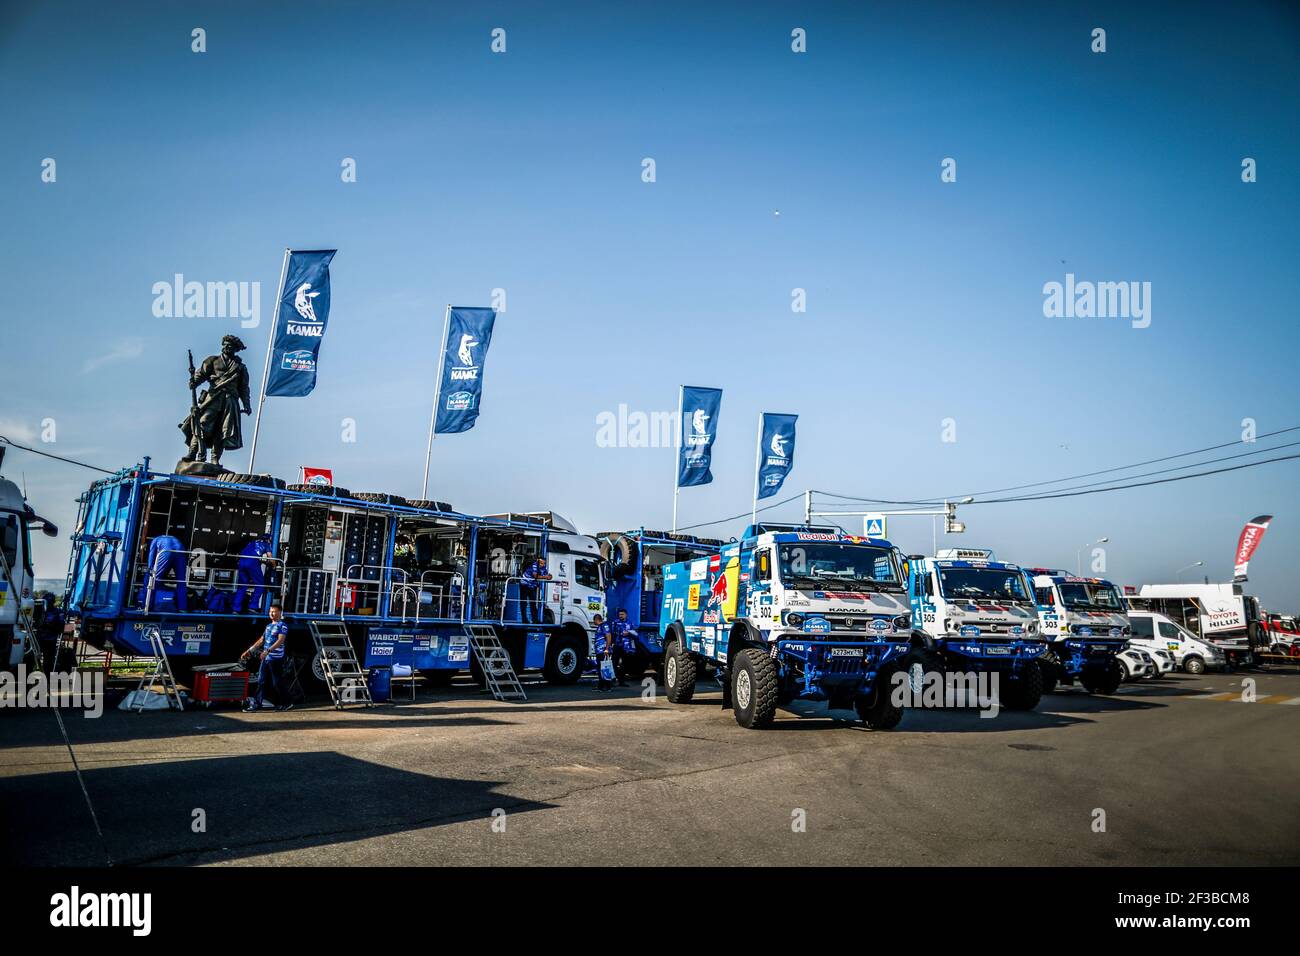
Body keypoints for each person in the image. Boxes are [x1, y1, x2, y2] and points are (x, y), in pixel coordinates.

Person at [180, 334, 252, 466]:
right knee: (201, 424)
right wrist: (194, 381)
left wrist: (246, 404)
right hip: (213, 399)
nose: (226, 347)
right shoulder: (212, 360)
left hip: (230, 401)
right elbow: (201, 374)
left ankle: (215, 459)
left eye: (229, 345)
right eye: (225, 344)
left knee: (223, 431)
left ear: (235, 348)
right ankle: (192, 453)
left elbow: (244, 388)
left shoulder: (240, 367)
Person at [241, 604, 293, 712]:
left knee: (277, 682)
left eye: (274, 611)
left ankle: (287, 703)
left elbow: (280, 641)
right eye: (270, 611)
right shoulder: (268, 626)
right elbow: (261, 640)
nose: (271, 613)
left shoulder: (282, 625)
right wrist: (249, 651)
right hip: (266, 658)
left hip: (276, 659)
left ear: (280, 612)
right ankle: (257, 704)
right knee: (261, 681)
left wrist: (267, 651)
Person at [232, 535, 274, 614]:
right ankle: (253, 607)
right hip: (252, 562)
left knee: (242, 586)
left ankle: (235, 609)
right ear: (268, 540)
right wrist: (274, 566)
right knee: (260, 584)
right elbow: (270, 558)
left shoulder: (252, 542)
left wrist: (262, 561)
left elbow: (250, 553)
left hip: (242, 561)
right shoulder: (266, 544)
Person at [518, 556, 552, 624]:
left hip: (532, 586)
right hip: (524, 584)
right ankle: (524, 620)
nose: (542, 564)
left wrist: (550, 576)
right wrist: (545, 577)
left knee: (533, 603)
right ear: (538, 561)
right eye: (541, 563)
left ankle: (535, 620)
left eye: (544, 563)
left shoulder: (544, 567)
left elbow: (547, 575)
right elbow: (535, 576)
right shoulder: (534, 565)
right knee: (524, 603)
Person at [613, 608, 639, 685]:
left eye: (622, 614)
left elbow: (636, 635)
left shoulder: (630, 623)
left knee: (624, 664)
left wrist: (629, 633)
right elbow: (611, 633)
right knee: (614, 663)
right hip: (617, 645)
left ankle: (622, 681)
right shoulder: (615, 623)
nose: (620, 616)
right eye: (619, 614)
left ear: (626, 615)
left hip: (626, 647)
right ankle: (613, 680)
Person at [592, 614, 615, 691]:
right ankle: (601, 686)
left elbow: (608, 636)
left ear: (597, 619)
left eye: (594, 620)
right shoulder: (599, 627)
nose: (594, 622)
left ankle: (608, 687)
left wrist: (607, 649)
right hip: (599, 651)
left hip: (603, 651)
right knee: (600, 669)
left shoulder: (604, 626)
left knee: (605, 668)